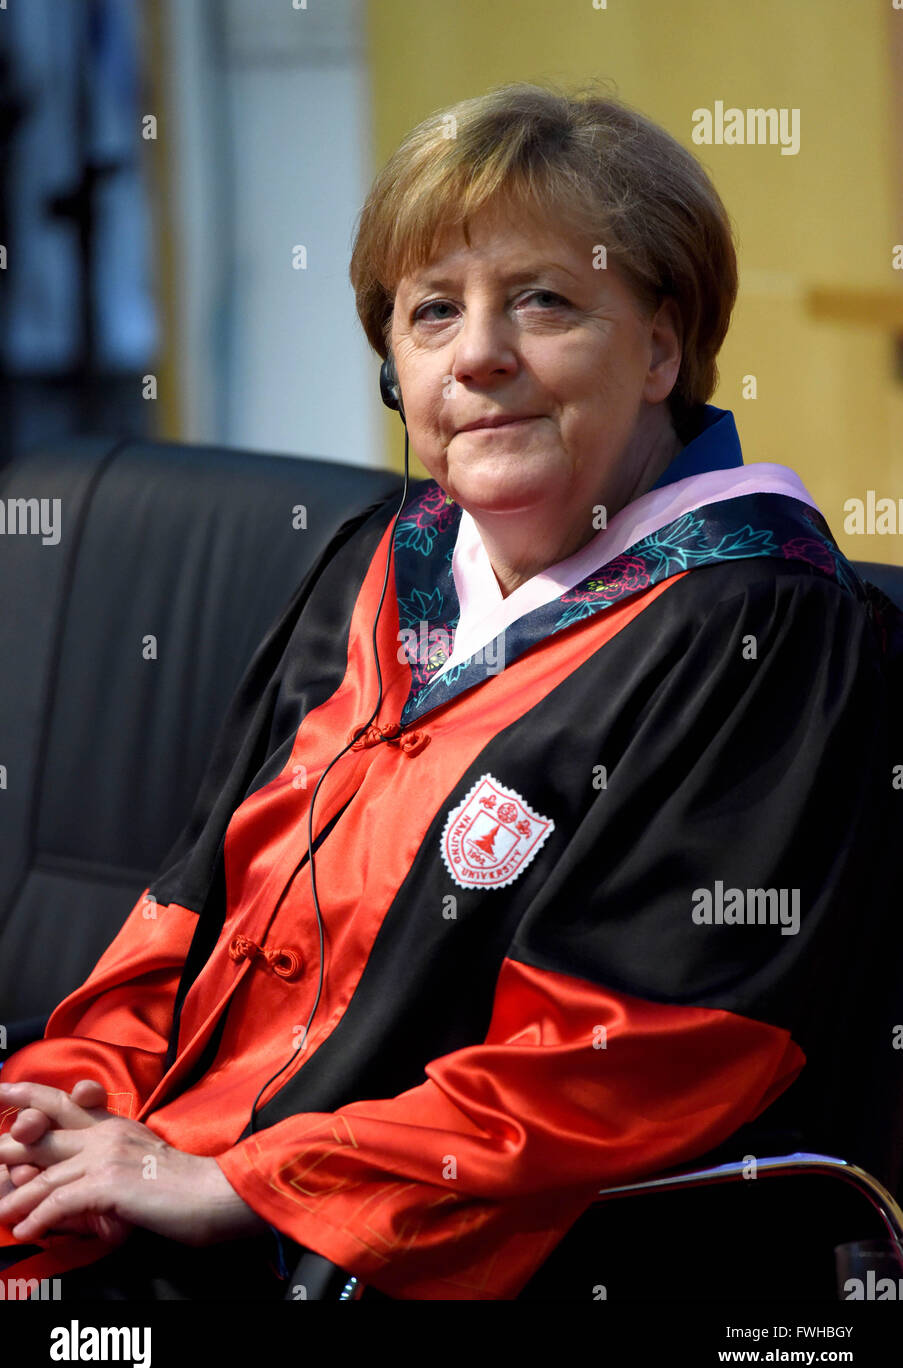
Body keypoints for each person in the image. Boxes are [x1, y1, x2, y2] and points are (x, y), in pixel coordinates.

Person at [1, 81, 901, 1302]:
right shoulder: (381, 560)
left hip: (415, 1260)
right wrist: (60, 1101)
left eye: (542, 299)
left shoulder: (759, 626)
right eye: (433, 312)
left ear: (661, 347)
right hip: (165, 1182)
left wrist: (246, 1188)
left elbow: (650, 1052)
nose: (478, 352)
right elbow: (189, 906)